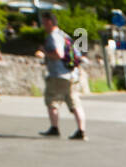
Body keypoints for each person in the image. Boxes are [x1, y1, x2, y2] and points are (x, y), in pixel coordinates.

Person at [35, 12, 87, 140]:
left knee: (52, 101)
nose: (43, 25)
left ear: (49, 22)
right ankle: (81, 130)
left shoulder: (53, 36)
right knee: (74, 103)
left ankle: (54, 128)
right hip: (71, 74)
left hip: (58, 74)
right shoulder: (65, 35)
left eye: (44, 22)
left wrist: (44, 53)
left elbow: (58, 54)